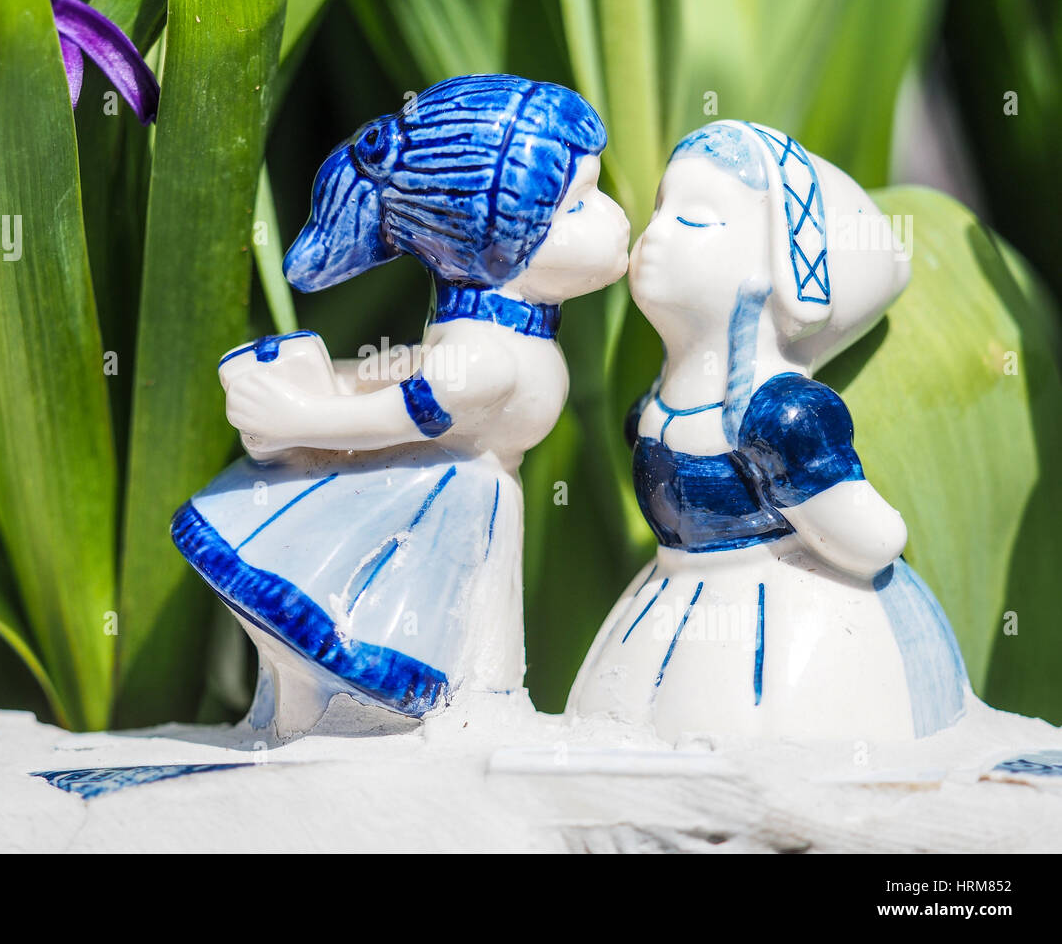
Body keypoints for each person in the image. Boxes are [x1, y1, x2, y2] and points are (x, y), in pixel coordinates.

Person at [172, 74, 630, 735]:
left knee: (478, 632)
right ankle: (339, 721)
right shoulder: (485, 358)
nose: (615, 216)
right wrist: (300, 416)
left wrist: (332, 382)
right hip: (428, 506)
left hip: (476, 504)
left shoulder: (494, 342)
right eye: (579, 204)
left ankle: (457, 705)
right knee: (379, 638)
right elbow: (398, 410)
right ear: (493, 239)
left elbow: (398, 377)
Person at [568, 121, 972, 742]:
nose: (655, 236)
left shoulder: (781, 414)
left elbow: (873, 537)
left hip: (773, 618)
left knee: (742, 744)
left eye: (695, 220)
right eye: (660, 209)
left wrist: (824, 496)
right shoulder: (658, 403)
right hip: (669, 593)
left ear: (778, 270)